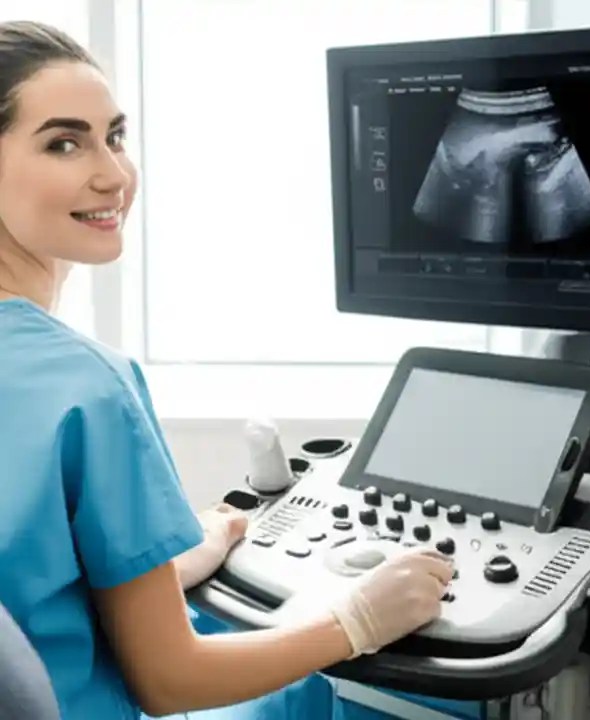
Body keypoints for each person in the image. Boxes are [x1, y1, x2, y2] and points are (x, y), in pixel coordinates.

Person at [0, 20, 455, 719]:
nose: (114, 175)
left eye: (115, 136)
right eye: (64, 143)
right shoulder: (88, 387)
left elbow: (27, 593)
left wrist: (173, 563)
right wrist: (358, 619)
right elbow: (170, 682)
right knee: (353, 693)